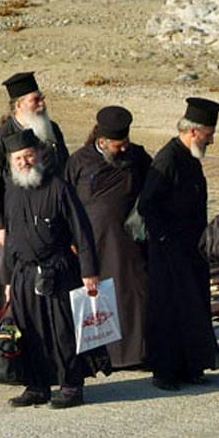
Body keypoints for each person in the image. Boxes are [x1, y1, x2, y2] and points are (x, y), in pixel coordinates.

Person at [3, 129, 108, 409]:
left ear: (37, 155)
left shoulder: (59, 187)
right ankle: (37, 386)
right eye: (18, 158)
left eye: (28, 155)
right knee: (29, 332)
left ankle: (71, 385)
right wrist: (7, 280)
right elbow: (10, 238)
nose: (24, 161)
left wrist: (89, 272)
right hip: (24, 274)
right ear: (11, 161)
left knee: (62, 331)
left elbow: (82, 232)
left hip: (58, 270)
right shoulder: (11, 190)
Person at [137, 97, 219, 391]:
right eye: (209, 134)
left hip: (190, 248)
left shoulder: (188, 157)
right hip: (169, 250)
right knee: (168, 310)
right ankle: (165, 371)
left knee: (192, 306)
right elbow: (148, 203)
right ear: (193, 131)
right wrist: (163, 239)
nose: (211, 140)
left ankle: (190, 366)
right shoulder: (168, 159)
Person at [64, 106, 152, 369]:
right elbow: (65, 203)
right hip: (92, 244)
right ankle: (103, 357)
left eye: (125, 143)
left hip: (129, 245)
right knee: (98, 298)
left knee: (134, 297)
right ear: (101, 142)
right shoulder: (79, 161)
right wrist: (70, 238)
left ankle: (137, 355)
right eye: (118, 145)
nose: (124, 149)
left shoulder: (138, 156)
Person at [0, 71, 70, 310]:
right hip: (15, 221)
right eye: (35, 100)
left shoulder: (52, 130)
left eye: (42, 98)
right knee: (7, 282)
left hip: (52, 219)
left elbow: (65, 169)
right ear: (19, 105)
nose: (42, 103)